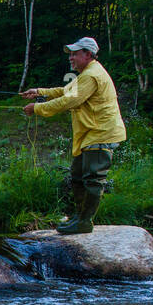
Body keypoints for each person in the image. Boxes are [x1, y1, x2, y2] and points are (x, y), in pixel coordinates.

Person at [22, 37, 126, 234]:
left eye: (74, 54)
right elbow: (66, 90)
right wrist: (39, 92)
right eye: (70, 54)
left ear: (88, 54)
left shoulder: (92, 74)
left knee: (93, 179)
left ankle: (85, 221)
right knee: (77, 176)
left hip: (101, 133)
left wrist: (37, 108)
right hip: (89, 135)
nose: (70, 57)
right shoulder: (87, 73)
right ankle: (79, 217)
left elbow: (68, 100)